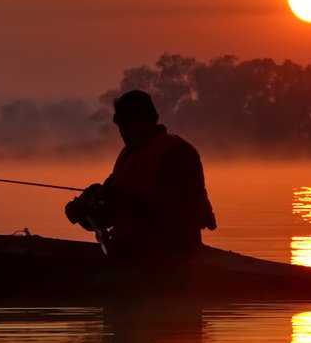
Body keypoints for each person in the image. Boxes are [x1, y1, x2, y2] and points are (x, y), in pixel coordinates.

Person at [65, 90, 216, 258]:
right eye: (120, 125)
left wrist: (121, 200)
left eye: (127, 124)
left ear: (149, 121)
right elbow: (107, 215)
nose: (122, 132)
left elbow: (177, 218)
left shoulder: (177, 155)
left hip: (169, 256)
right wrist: (84, 209)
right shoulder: (130, 155)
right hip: (128, 253)